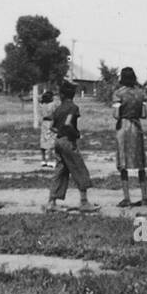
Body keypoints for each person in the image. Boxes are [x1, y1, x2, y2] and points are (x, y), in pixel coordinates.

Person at [47, 81, 98, 212]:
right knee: (79, 169)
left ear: (61, 95)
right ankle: (84, 202)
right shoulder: (73, 107)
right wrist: (76, 134)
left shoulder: (58, 109)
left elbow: (52, 126)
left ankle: (51, 202)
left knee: (60, 171)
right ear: (73, 94)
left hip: (58, 141)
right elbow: (69, 123)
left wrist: (60, 133)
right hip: (68, 141)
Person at [113, 67, 147, 207]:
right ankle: (144, 197)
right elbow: (144, 114)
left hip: (123, 127)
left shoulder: (119, 93)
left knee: (123, 163)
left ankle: (127, 198)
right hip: (136, 127)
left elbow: (116, 115)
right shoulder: (141, 93)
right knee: (140, 162)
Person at [38, 90, 56, 168]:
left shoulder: (42, 105)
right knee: (51, 142)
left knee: (43, 141)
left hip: (43, 124)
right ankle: (50, 160)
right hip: (51, 123)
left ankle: (43, 159)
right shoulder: (53, 105)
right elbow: (55, 114)